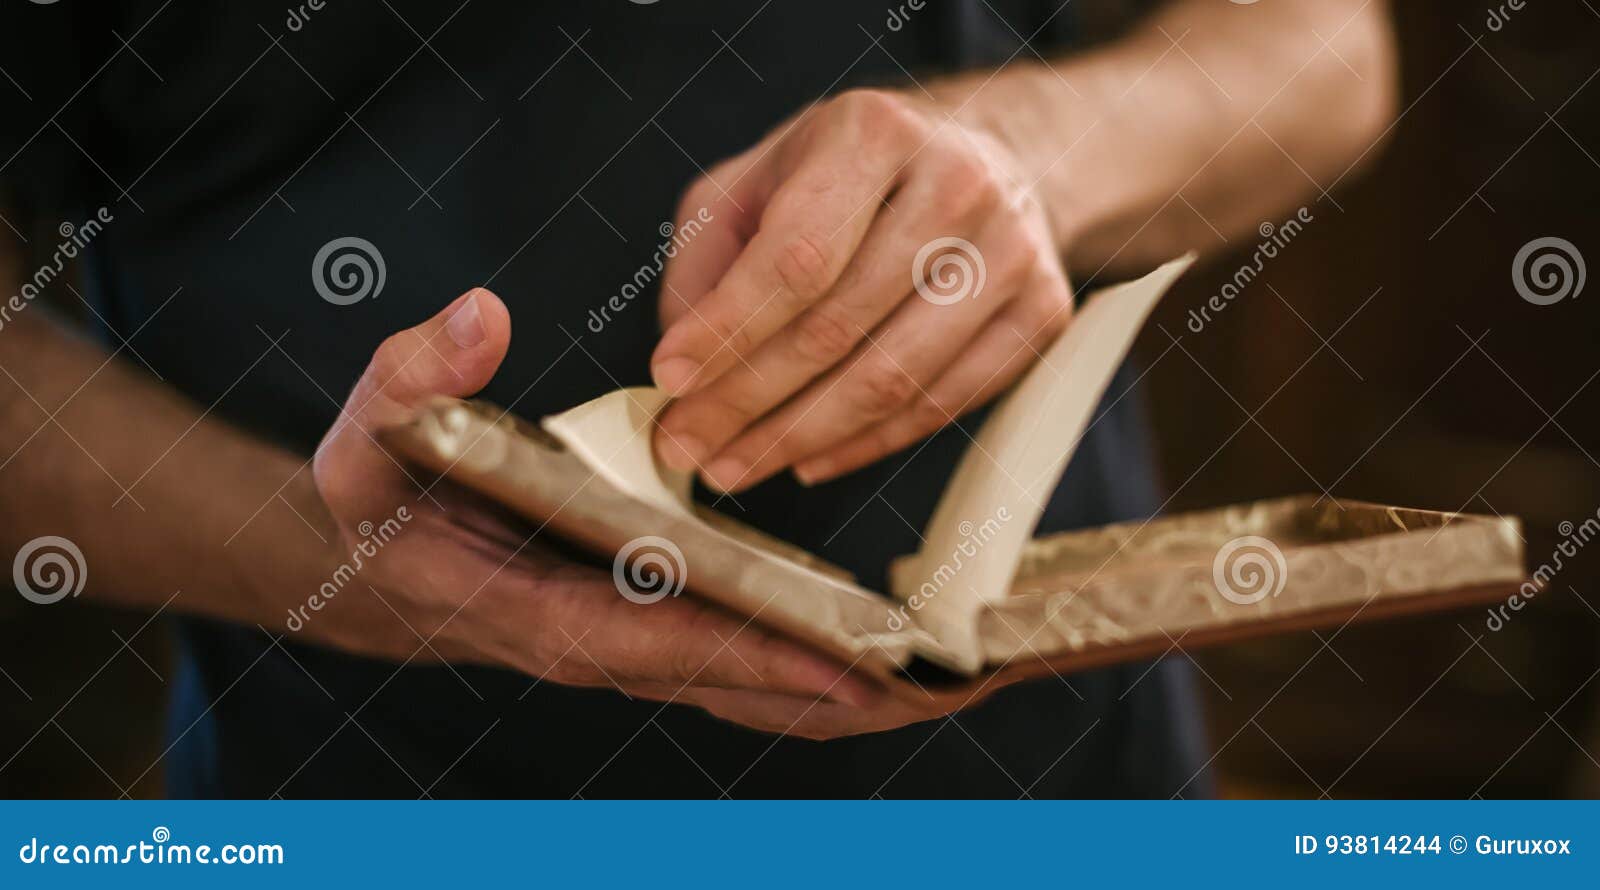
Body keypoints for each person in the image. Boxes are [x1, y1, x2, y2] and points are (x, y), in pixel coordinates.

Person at [0, 0, 1396, 796]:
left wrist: (1031, 148)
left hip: (1046, 779)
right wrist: (340, 565)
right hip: (360, 784)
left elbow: (1326, 49)